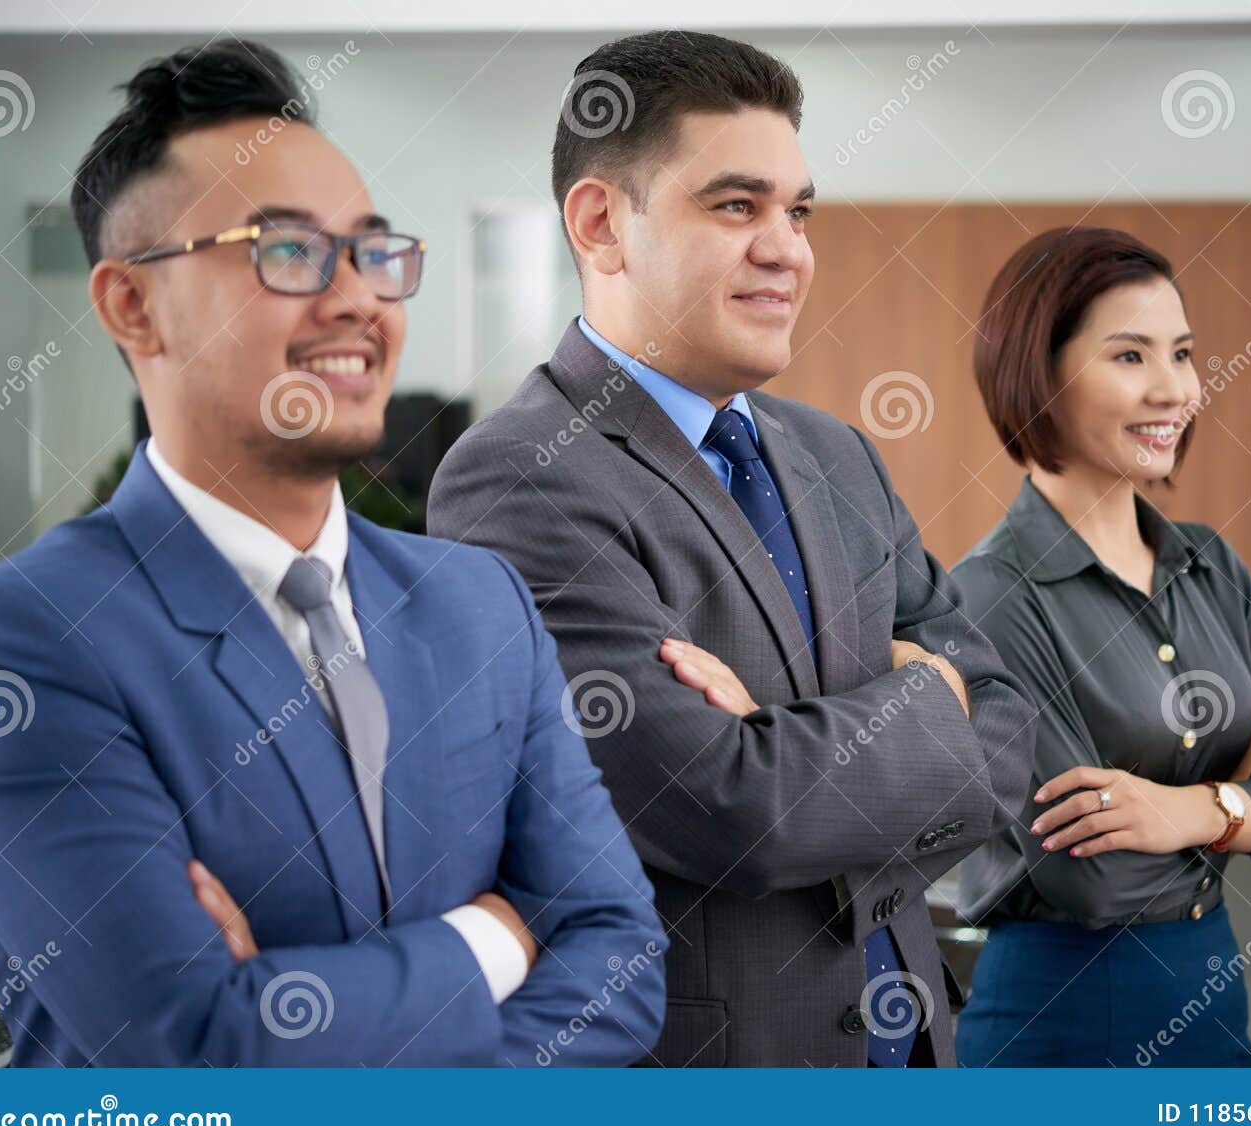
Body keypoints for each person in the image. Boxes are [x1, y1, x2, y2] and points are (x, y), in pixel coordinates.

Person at [0, 39, 664, 1067]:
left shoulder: (475, 602)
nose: (358, 300)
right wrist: (495, 937)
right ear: (130, 304)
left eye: (374, 253)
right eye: (286, 251)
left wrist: (294, 1015)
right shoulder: (17, 640)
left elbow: (622, 958)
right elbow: (194, 1046)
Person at [427, 30, 1037, 1067]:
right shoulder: (524, 479)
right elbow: (735, 813)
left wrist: (794, 736)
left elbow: (1017, 732)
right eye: (736, 206)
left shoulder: (834, 455)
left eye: (796, 211)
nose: (789, 249)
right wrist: (932, 695)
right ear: (601, 223)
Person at [952, 227, 1251, 1067]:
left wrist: (1180, 812)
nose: (1174, 389)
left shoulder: (1210, 563)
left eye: (1183, 353)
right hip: (1064, 1013)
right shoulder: (992, 596)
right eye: (1130, 356)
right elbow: (1091, 879)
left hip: (1207, 990)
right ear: (1040, 373)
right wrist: (1243, 789)